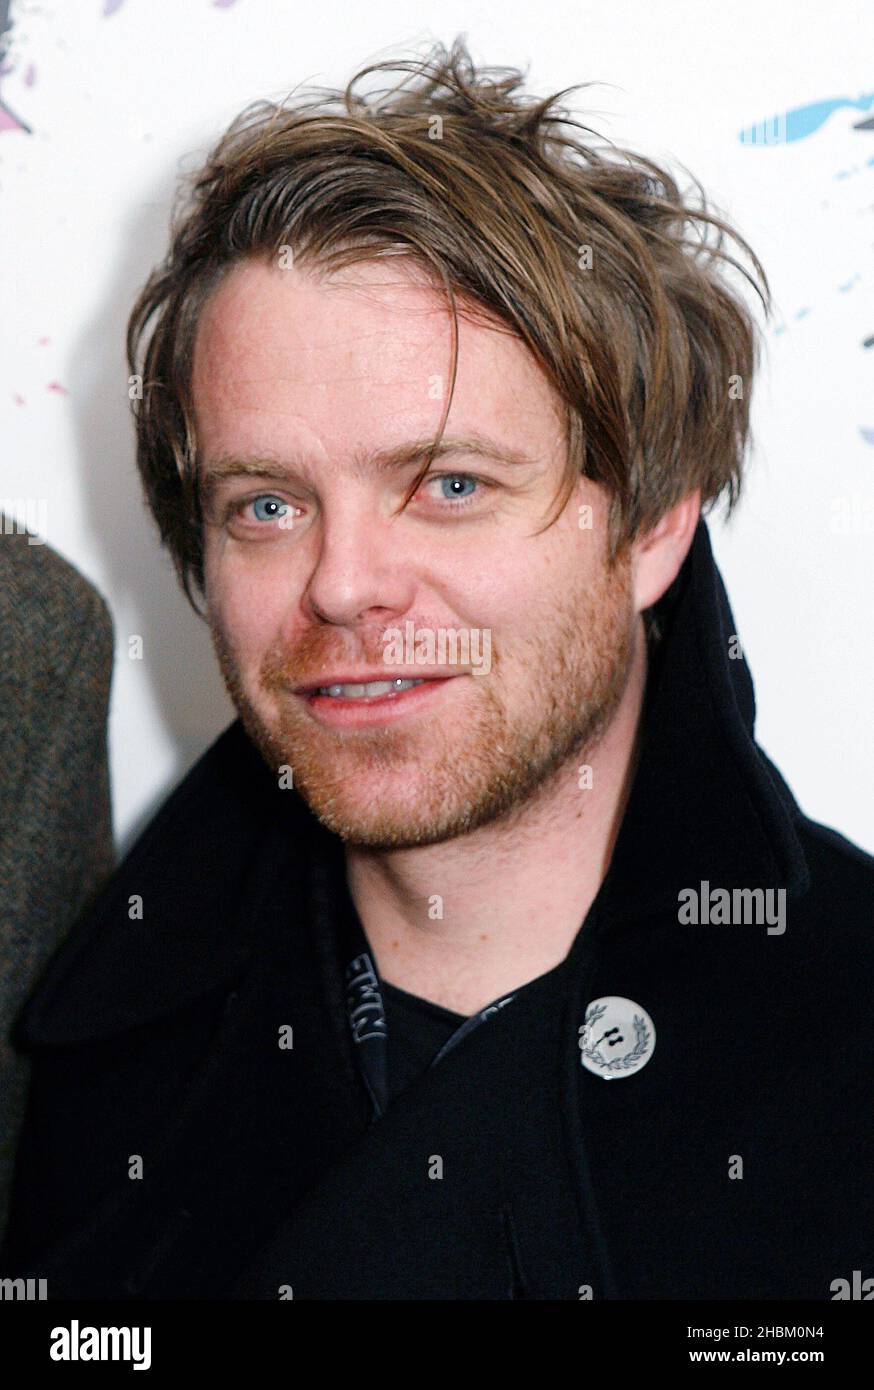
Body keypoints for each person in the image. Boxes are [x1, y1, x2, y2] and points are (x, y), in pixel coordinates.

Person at [3, 37, 872, 1300]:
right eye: (263, 506)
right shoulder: (84, 1065)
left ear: (651, 524)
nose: (344, 582)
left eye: (450, 485)